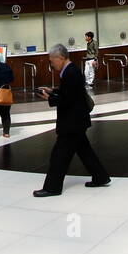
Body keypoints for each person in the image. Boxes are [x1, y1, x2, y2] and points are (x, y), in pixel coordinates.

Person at [33, 44, 110, 196]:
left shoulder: (70, 73)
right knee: (84, 150)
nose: (51, 64)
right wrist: (52, 91)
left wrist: (50, 97)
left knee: (59, 155)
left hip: (72, 122)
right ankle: (100, 177)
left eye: (52, 60)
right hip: (77, 121)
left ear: (60, 58)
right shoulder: (70, 71)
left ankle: (52, 187)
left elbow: (68, 99)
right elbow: (68, 93)